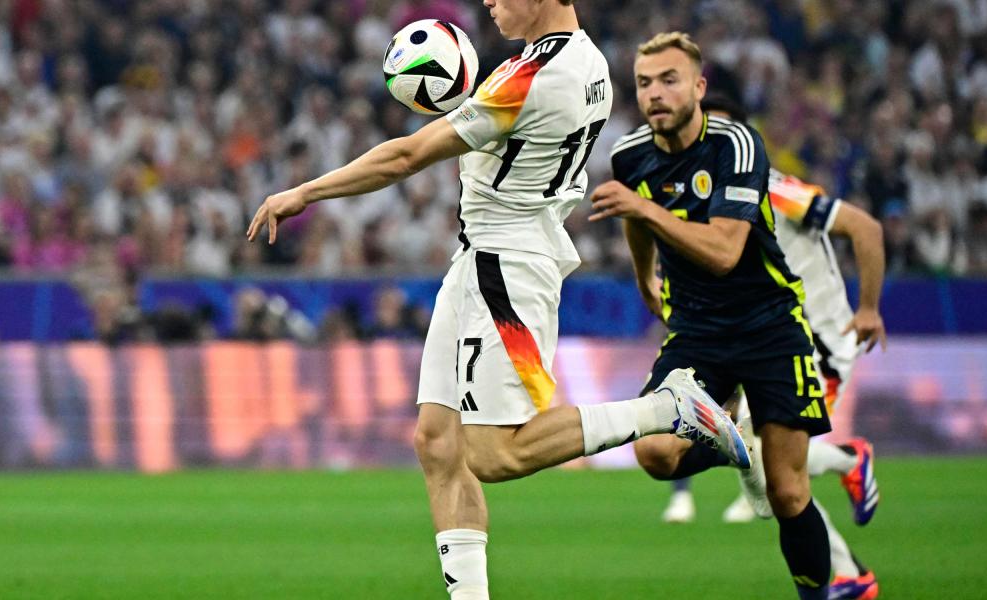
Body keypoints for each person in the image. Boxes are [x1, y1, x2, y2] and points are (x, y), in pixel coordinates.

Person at [246, 4, 749, 599]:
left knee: (493, 452)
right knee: (437, 440)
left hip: (507, 266)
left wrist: (306, 191)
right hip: (482, 256)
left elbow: (408, 156)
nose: (489, 2)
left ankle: (667, 409)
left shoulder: (535, 76)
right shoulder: (582, 61)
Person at [593, 32, 832, 600]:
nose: (655, 94)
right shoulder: (631, 154)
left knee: (789, 491)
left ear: (699, 88)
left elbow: (725, 253)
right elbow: (635, 212)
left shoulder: (737, 145)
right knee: (653, 453)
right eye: (644, 83)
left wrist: (644, 208)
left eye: (669, 80)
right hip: (698, 330)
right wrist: (642, 273)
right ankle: (731, 440)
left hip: (770, 323)